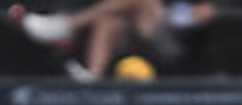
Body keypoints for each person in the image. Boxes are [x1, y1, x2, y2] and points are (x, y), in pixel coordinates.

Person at [13, 0, 219, 80]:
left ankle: (66, 26)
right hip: (133, 27)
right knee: (107, 21)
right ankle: (92, 78)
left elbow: (207, 12)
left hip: (174, 37)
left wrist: (171, 15)